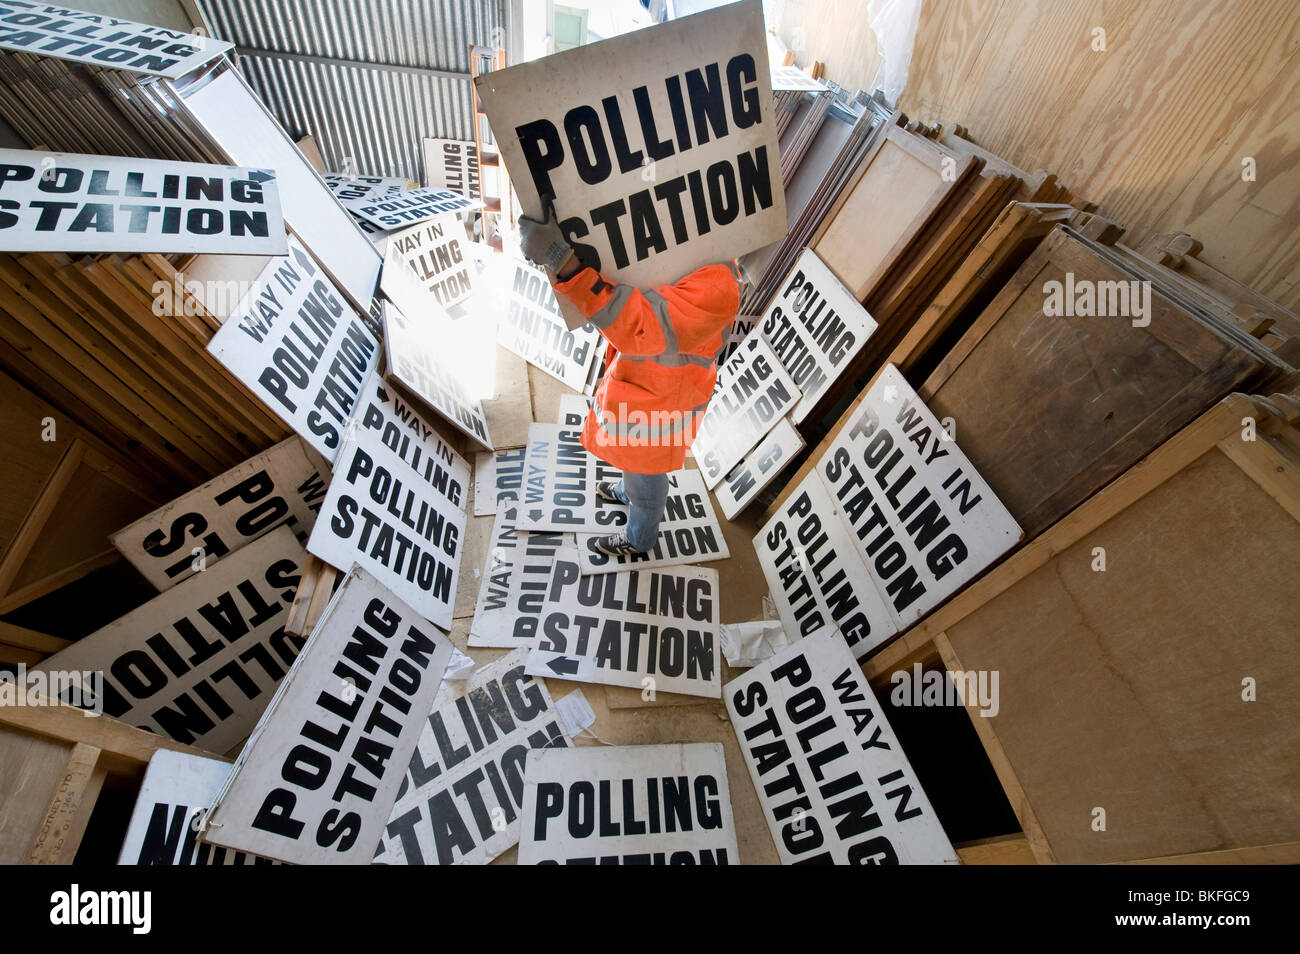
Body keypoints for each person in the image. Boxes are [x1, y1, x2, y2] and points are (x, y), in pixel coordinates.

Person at [519, 198, 743, 556]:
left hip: (664, 401)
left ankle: (641, 537)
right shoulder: (685, 249)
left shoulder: (719, 285)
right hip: (643, 386)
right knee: (634, 460)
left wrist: (564, 261)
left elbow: (640, 326)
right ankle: (631, 490)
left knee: (647, 471)